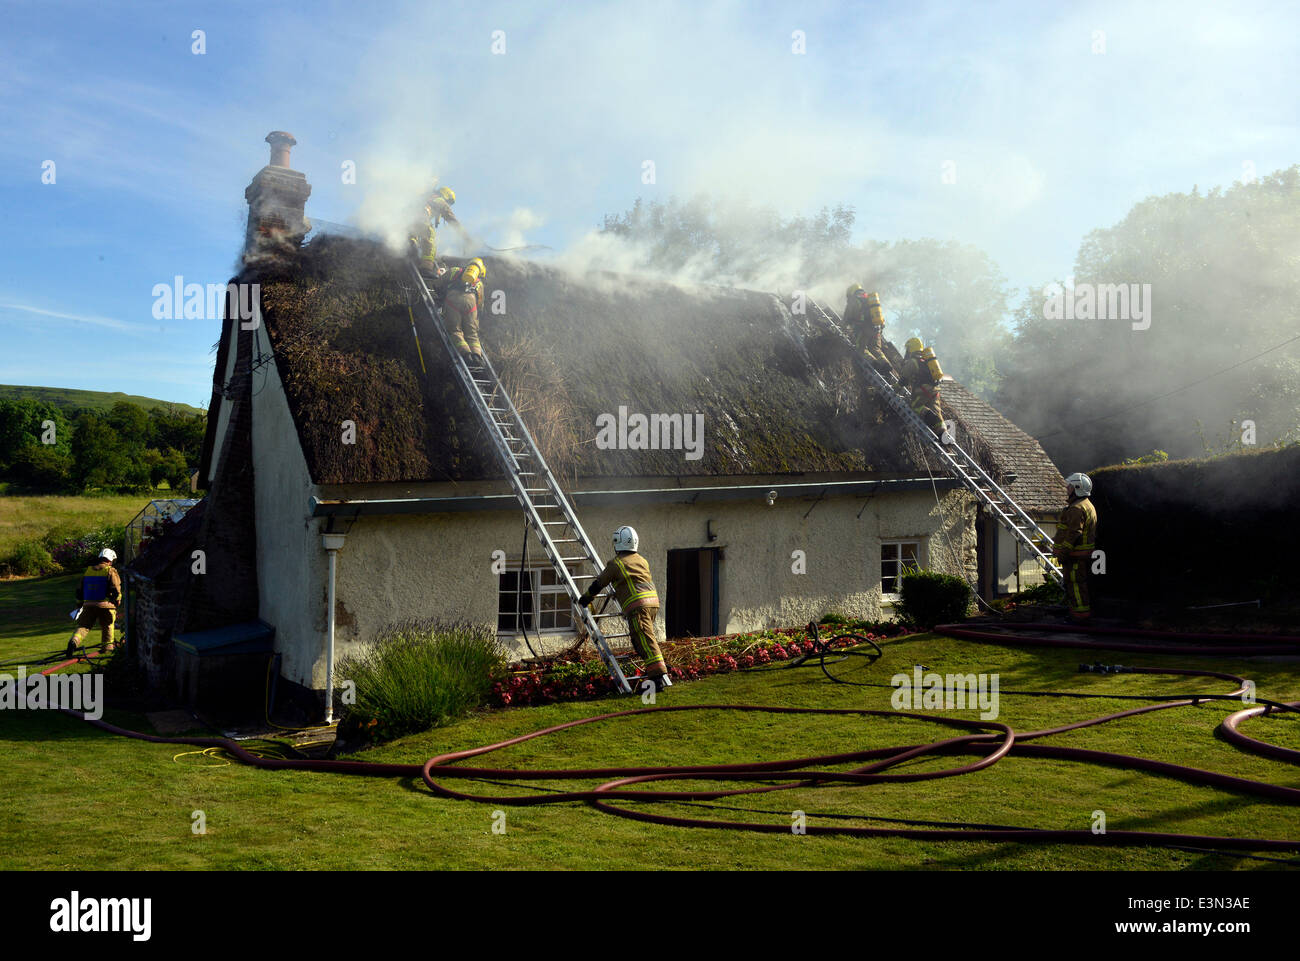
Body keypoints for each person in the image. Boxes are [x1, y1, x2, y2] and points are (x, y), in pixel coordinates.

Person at [576, 525, 670, 690]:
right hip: (653, 604)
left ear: (617, 542)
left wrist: (586, 598)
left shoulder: (616, 563)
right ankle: (654, 675)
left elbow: (600, 583)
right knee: (639, 639)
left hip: (638, 607)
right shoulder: (642, 560)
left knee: (645, 641)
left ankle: (657, 681)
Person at [1053, 472, 1099, 622]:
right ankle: (1078, 614)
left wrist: (1063, 553)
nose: (1067, 488)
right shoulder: (1087, 505)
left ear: (1077, 488)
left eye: (1070, 486)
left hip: (1075, 557)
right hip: (1081, 555)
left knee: (1076, 586)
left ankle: (1080, 617)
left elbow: (1074, 534)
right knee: (1079, 585)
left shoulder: (1076, 509)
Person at [67, 548, 121, 657]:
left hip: (88, 605)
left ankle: (74, 641)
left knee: (83, 626)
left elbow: (79, 590)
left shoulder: (88, 571)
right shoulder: (110, 571)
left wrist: (79, 604)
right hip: (106, 605)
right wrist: (117, 600)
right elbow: (116, 588)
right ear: (110, 560)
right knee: (108, 626)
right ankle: (107, 649)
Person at [433, 257, 487, 362]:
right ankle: (476, 355)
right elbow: (480, 304)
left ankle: (466, 354)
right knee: (472, 333)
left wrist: (440, 295)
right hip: (471, 304)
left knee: (455, 329)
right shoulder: (479, 283)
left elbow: (438, 283)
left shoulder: (455, 271)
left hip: (454, 300)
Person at [898, 337, 945, 433]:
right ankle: (942, 431)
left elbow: (903, 380)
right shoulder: (926, 361)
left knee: (915, 406)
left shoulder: (913, 361)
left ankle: (930, 416)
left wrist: (895, 387)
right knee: (937, 412)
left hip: (923, 391)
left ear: (910, 349)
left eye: (907, 349)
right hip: (935, 391)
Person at [843, 284, 891, 372]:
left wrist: (843, 326)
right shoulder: (870, 299)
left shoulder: (854, 300)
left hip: (864, 328)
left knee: (861, 348)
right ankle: (885, 364)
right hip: (877, 328)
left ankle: (873, 362)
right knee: (875, 348)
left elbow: (847, 316)